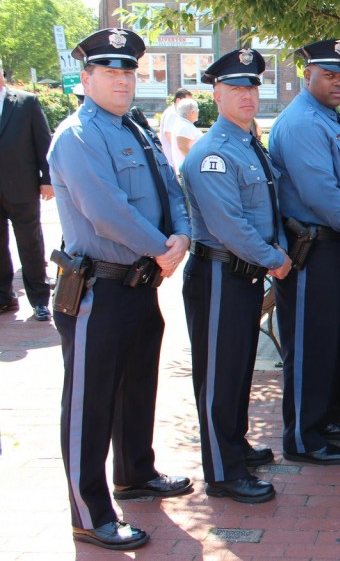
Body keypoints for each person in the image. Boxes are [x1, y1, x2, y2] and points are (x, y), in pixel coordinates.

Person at [48, 28, 192, 551]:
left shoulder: (135, 127)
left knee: (138, 389)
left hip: (141, 286)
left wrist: (180, 235)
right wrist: (163, 246)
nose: (122, 81)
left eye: (129, 71)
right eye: (110, 72)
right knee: (90, 407)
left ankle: (135, 471)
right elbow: (106, 212)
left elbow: (169, 187)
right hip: (97, 293)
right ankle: (89, 513)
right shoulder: (77, 136)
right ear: (85, 79)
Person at [180, 48, 292, 504]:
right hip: (219, 276)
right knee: (218, 376)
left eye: (252, 87)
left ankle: (235, 446)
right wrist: (275, 258)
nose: (247, 96)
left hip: (243, 275)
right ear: (215, 94)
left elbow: (269, 207)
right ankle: (222, 473)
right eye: (235, 89)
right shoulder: (213, 154)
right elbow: (229, 225)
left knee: (238, 369)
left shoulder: (248, 144)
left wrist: (273, 250)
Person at [269, 39, 340, 466]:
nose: (339, 82)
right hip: (313, 248)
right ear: (306, 74)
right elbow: (319, 192)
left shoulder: (325, 117)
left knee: (327, 341)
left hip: (332, 247)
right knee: (309, 345)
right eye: (329, 74)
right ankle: (302, 438)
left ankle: (320, 417)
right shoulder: (303, 123)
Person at [0, 63, 54, 320]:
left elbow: (44, 142)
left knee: (30, 244)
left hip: (22, 187)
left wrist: (48, 179)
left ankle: (39, 300)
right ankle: (4, 298)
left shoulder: (26, 102)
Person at [170, 98, 201, 173]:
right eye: (197, 111)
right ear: (192, 112)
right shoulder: (184, 126)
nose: (198, 113)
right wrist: (197, 162)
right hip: (189, 170)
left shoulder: (184, 125)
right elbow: (183, 147)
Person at [159, 87, 192, 155]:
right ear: (178, 100)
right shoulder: (172, 113)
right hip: (171, 157)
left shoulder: (175, 112)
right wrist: (179, 149)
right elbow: (168, 134)